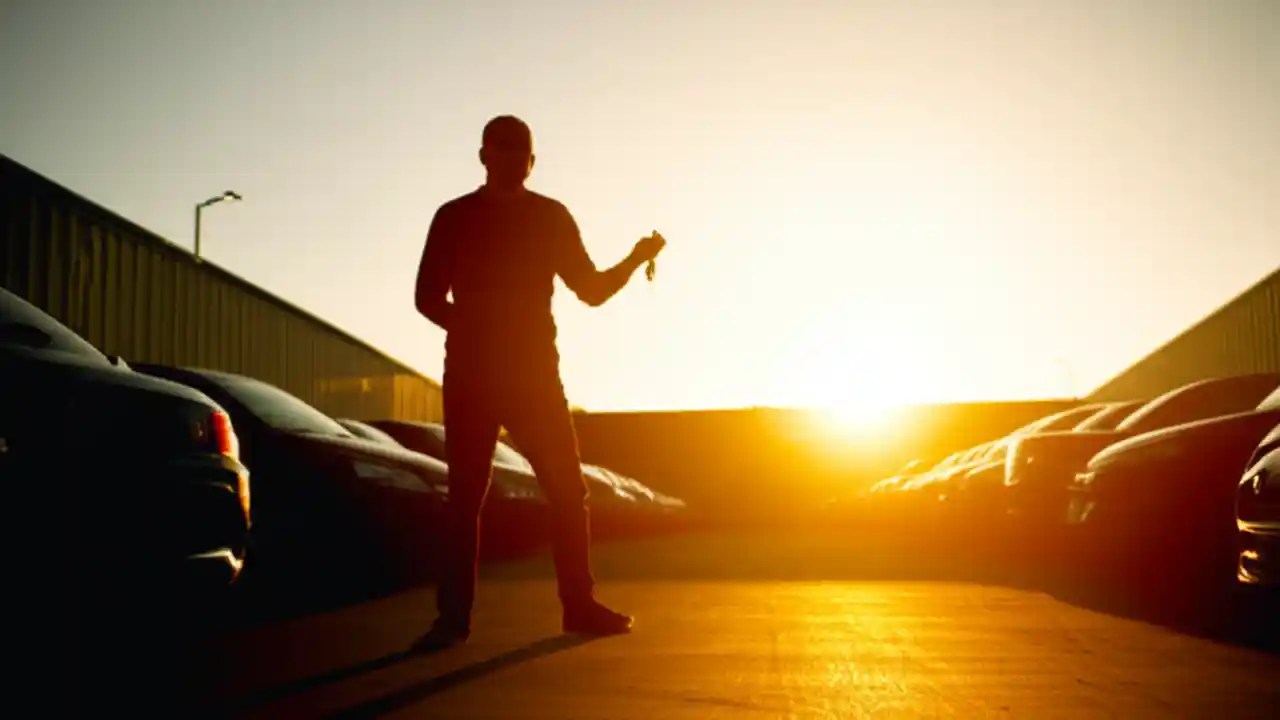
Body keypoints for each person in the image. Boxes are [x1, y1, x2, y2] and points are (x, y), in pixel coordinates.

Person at [411, 115, 666, 649]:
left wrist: (635, 259)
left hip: (532, 378)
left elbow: (591, 290)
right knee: (467, 498)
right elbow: (426, 298)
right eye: (501, 149)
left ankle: (575, 606)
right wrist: (475, 330)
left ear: (531, 161)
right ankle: (453, 620)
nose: (510, 159)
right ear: (484, 157)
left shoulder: (550, 217)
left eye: (518, 151)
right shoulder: (454, 217)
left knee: (566, 493)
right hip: (476, 376)